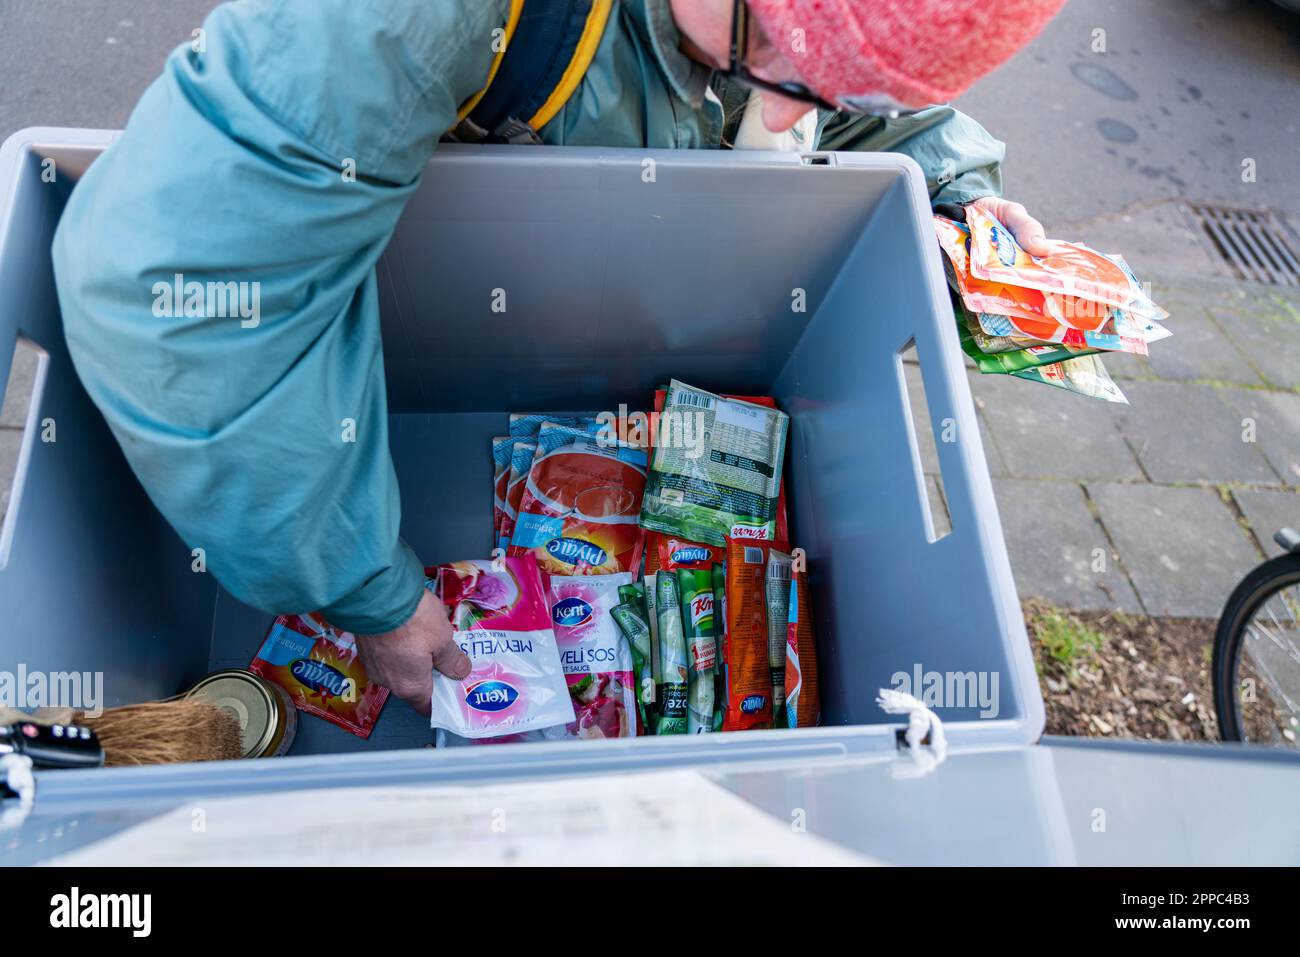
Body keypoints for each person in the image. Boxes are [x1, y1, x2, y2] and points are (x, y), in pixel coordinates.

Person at [51, 0, 1064, 716]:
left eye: (845, 93)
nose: (798, 120)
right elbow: (164, 296)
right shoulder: (401, 19)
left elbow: (867, 62)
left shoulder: (779, 46)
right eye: (788, 71)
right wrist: (366, 590)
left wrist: (943, 185)